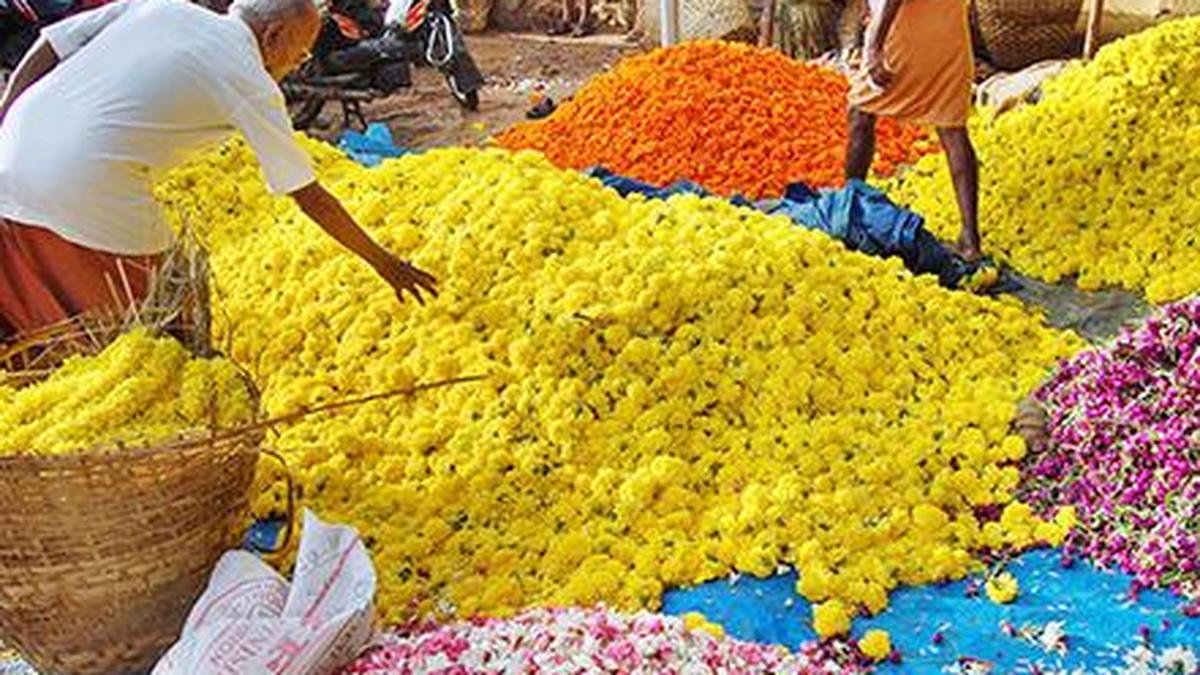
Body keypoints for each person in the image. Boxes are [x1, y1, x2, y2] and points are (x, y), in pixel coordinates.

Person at [0, 0, 437, 340]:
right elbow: (308, 196)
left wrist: (5, 115)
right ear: (273, 35)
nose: (297, 63)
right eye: (300, 53)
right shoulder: (246, 76)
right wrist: (385, 262)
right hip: (82, 184)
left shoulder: (164, 8)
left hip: (12, 152)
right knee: (161, 306)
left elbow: (51, 44)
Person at [844, 0, 981, 262]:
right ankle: (970, 239)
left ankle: (849, 206)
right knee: (952, 129)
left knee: (860, 112)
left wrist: (874, 46)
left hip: (907, 36)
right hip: (949, 38)